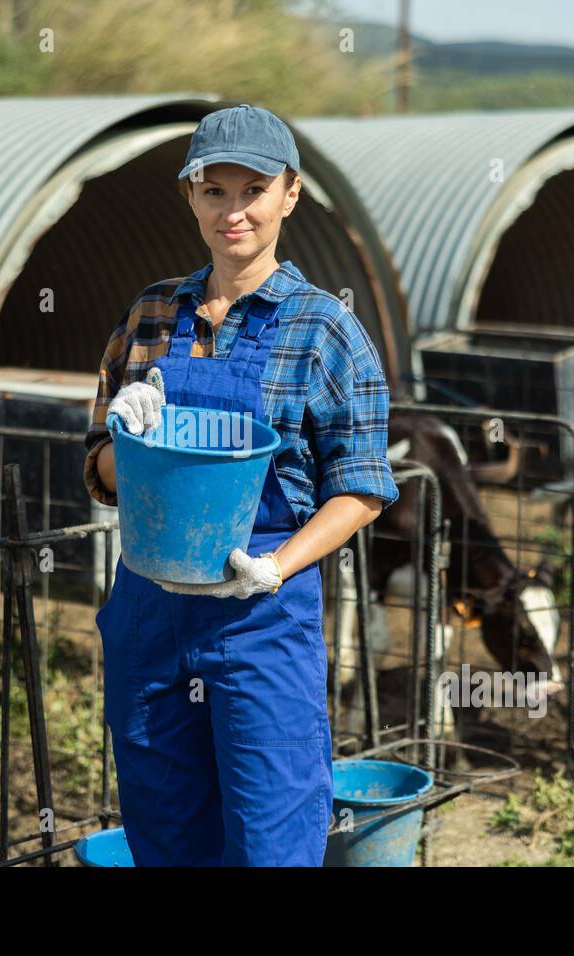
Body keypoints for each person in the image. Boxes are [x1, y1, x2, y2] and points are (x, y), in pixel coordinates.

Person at [82, 103, 399, 866]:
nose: (234, 212)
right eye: (214, 191)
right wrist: (128, 436)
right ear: (189, 195)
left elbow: (362, 488)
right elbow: (98, 473)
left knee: (270, 833)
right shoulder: (152, 312)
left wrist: (277, 566)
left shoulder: (324, 329)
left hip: (259, 612)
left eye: (253, 189)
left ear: (290, 193)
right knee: (164, 833)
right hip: (150, 610)